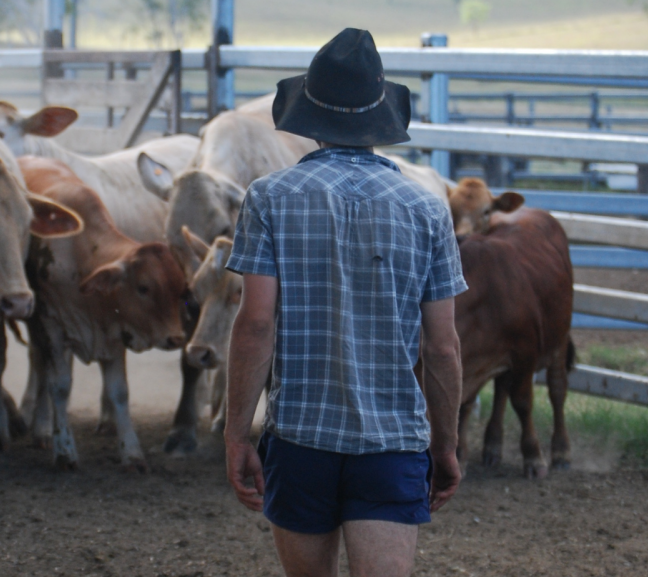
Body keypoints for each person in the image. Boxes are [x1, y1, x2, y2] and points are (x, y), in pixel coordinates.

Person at [223, 28, 466, 577]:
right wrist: (446, 444)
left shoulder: (269, 198)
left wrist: (237, 432)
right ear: (379, 115)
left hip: (301, 437)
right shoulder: (427, 210)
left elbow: (256, 324)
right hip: (392, 443)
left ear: (309, 112)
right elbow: (443, 346)